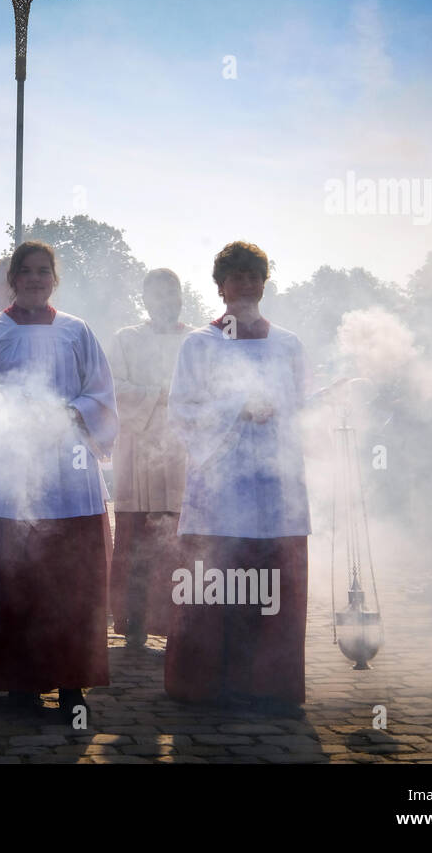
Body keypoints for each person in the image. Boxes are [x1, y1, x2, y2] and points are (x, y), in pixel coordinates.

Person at [0, 242, 118, 715]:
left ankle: (71, 680)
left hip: (69, 473)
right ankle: (19, 679)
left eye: (45, 272)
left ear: (55, 279)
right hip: (8, 476)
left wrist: (67, 412)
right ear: (13, 279)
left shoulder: (76, 331)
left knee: (70, 581)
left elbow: (101, 395)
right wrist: (1, 428)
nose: (36, 279)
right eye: (27, 272)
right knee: (15, 576)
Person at [164, 241, 311, 714]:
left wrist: (282, 411)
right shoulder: (199, 344)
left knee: (271, 586)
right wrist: (237, 407)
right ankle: (209, 684)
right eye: (237, 277)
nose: (246, 285)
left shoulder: (288, 343)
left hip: (275, 488)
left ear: (264, 283)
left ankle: (269, 685)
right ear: (221, 285)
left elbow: (302, 407)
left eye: (255, 276)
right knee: (217, 584)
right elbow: (181, 410)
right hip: (219, 490)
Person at [107, 269, 189, 647]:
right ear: (145, 299)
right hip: (138, 451)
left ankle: (176, 621)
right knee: (136, 541)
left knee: (178, 540)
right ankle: (134, 622)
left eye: (171, 293)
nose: (165, 301)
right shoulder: (126, 339)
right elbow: (113, 390)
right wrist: (159, 394)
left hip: (181, 452)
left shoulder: (196, 340)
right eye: (156, 294)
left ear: (181, 297)